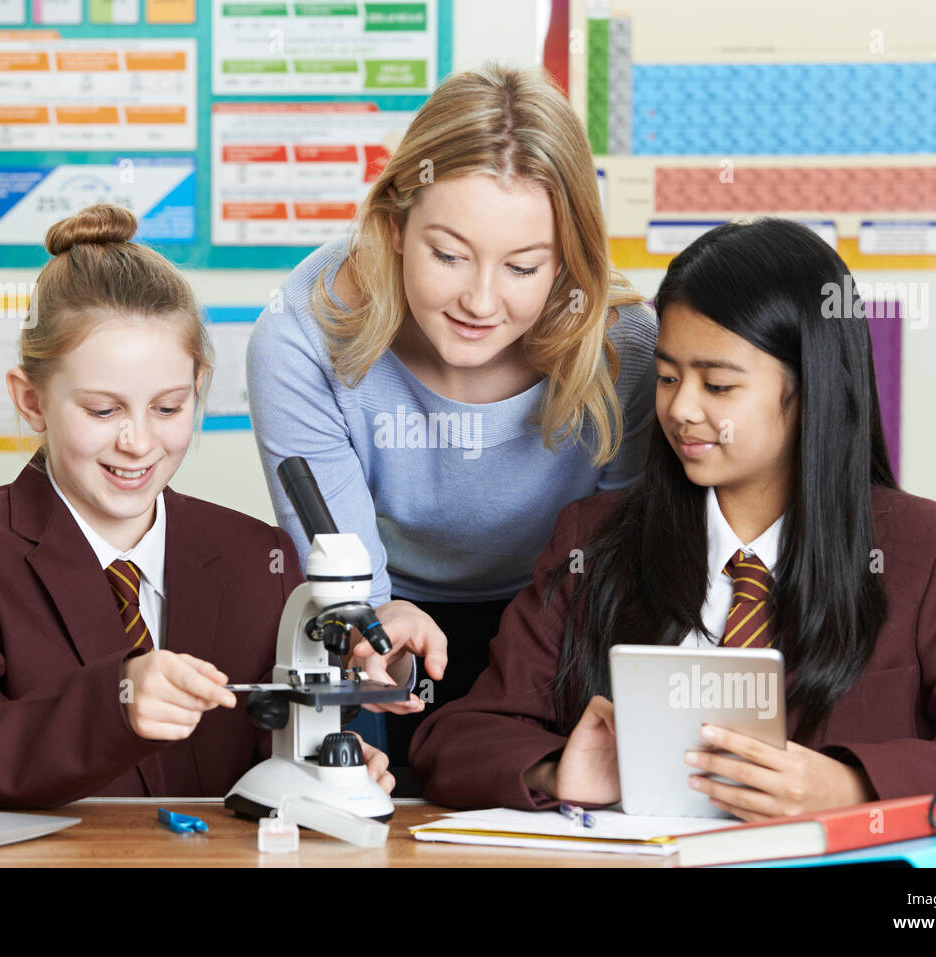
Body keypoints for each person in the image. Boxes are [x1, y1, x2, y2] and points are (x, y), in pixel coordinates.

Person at [410, 217, 936, 819]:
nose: (682, 410)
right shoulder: (596, 540)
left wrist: (851, 786)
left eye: (719, 384)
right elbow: (456, 739)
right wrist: (558, 768)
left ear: (810, 390)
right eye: (669, 377)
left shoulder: (929, 550)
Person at [0, 204, 394, 809]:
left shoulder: (258, 556)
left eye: (167, 408)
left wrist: (323, 765)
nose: (137, 441)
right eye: (103, 411)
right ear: (31, 401)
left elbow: (265, 741)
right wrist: (118, 700)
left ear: (198, 387)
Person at [246, 61, 658, 789]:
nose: (480, 299)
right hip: (387, 599)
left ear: (567, 260)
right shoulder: (300, 334)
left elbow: (621, 562)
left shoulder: (624, 346)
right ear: (396, 224)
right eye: (448, 255)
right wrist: (378, 642)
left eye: (524, 267)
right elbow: (347, 579)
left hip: (556, 609)